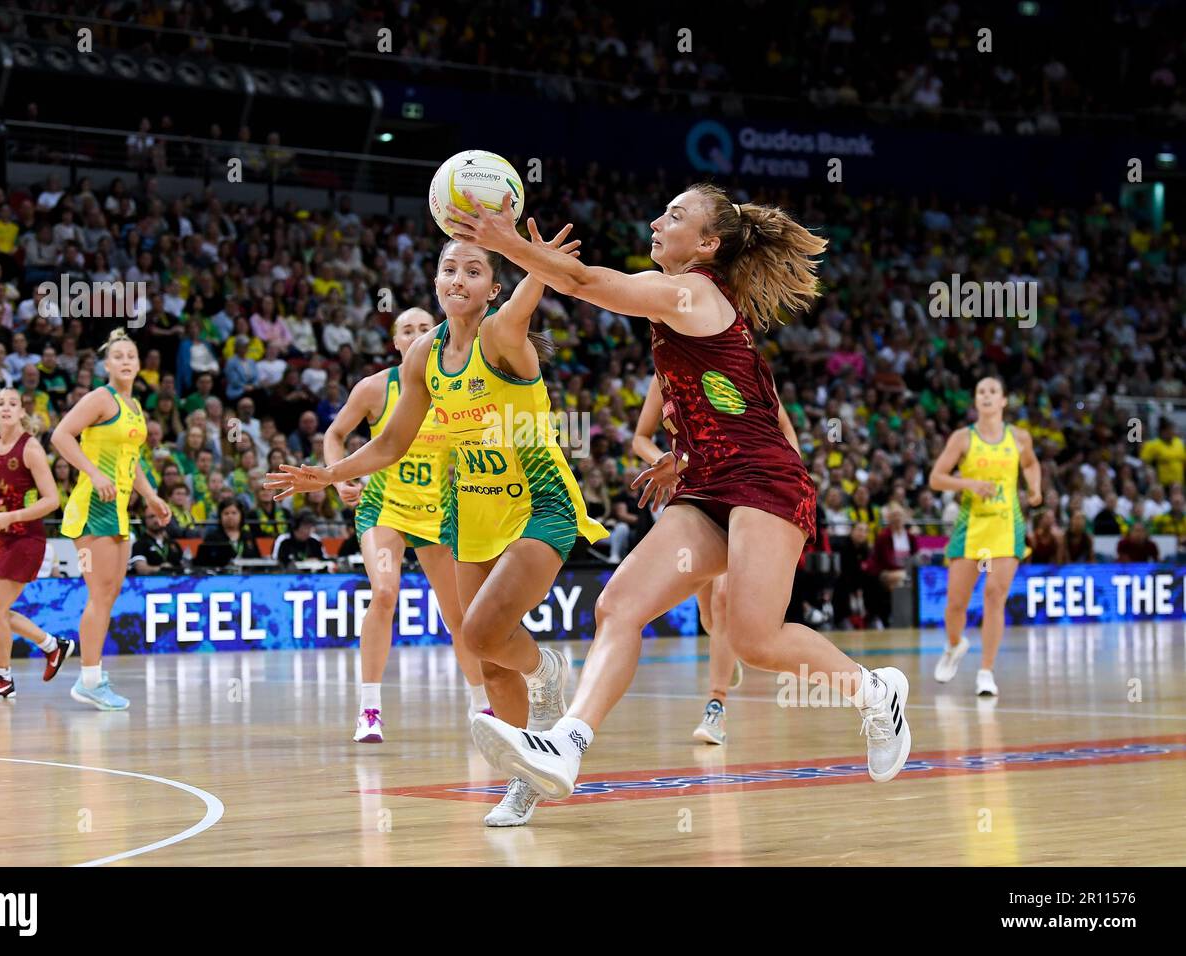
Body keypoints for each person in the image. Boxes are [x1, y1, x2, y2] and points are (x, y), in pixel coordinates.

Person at [440, 182, 912, 800]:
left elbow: (584, 283)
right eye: (662, 210)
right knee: (618, 606)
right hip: (708, 483)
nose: (657, 221)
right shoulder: (681, 298)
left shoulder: (693, 290)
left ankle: (878, 692)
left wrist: (506, 241)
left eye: (676, 215)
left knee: (752, 638)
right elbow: (739, 400)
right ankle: (567, 747)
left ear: (707, 244)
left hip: (766, 480)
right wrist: (685, 453)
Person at [266, 226, 607, 827]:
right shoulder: (424, 355)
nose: (459, 280)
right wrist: (329, 474)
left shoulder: (504, 332)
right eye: (450, 268)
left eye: (474, 271)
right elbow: (394, 440)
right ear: (435, 279)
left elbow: (534, 290)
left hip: (538, 503)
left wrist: (537, 261)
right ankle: (524, 778)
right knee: (492, 660)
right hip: (468, 508)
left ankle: (548, 672)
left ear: (491, 287)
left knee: (478, 635)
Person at [323, 307, 485, 746]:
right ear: (395, 342)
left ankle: (481, 708)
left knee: (460, 616)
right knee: (384, 592)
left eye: (423, 328)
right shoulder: (375, 388)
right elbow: (334, 434)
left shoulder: (458, 386)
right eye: (406, 329)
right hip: (384, 507)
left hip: (438, 513)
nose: (416, 334)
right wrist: (339, 476)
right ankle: (369, 710)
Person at [52, 328, 171, 710]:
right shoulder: (99, 398)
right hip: (91, 508)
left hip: (118, 510)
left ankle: (93, 676)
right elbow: (61, 436)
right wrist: (93, 472)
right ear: (106, 364)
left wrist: (150, 496)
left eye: (131, 356)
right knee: (99, 594)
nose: (126, 361)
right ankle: (89, 679)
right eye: (118, 356)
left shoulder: (135, 407)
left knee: (109, 594)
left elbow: (132, 462)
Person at [633, 375, 741, 744]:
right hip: (693, 500)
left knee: (724, 602)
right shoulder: (661, 377)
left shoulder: (731, 364)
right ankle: (727, 650)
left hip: (737, 492)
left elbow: (781, 431)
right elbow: (640, 438)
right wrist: (664, 461)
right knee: (710, 615)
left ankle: (716, 706)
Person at [929, 377, 1042, 697]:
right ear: (976, 400)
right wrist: (969, 485)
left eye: (993, 391)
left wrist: (1035, 487)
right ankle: (954, 645)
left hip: (1008, 525)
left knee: (995, 595)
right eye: (981, 391)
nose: (987, 396)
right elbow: (936, 478)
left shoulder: (1019, 437)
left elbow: (1032, 464)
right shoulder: (962, 438)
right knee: (955, 604)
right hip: (971, 524)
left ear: (1004, 400)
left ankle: (986, 672)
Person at [0, 389, 71, 698]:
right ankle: (53, 646)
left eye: (12, 403)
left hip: (25, 538)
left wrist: (13, 517)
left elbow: (53, 500)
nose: (6, 407)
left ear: (21, 410)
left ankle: (4, 677)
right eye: (0, 402)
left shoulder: (31, 449)